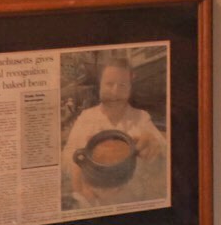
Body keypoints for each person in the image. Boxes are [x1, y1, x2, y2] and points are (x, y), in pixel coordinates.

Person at [61, 57, 168, 211]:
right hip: (96, 206)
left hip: (134, 206)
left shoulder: (142, 118)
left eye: (122, 85)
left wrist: (155, 145)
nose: (115, 92)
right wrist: (81, 177)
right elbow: (66, 160)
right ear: (100, 86)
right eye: (109, 84)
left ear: (130, 89)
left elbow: (165, 156)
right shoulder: (86, 117)